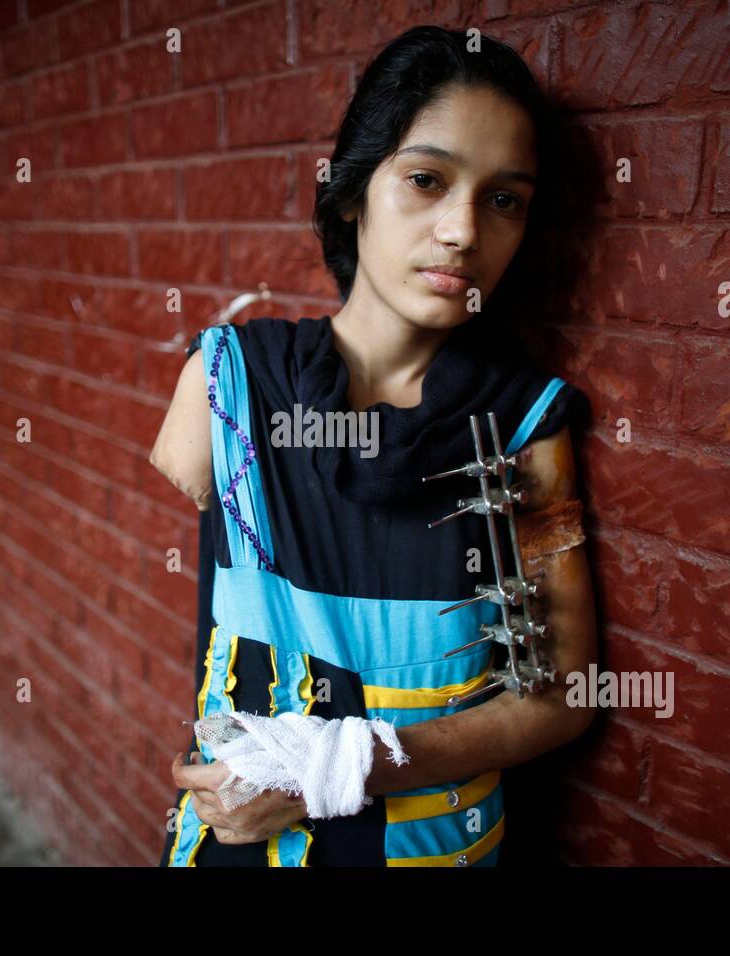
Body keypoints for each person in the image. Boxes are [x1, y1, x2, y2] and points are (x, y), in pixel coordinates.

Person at [150, 25, 598, 867]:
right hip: (242, 840)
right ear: (353, 192)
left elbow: (564, 697)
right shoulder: (228, 384)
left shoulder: (525, 425)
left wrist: (339, 766)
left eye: (505, 199)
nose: (464, 231)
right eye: (426, 180)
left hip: (436, 847)